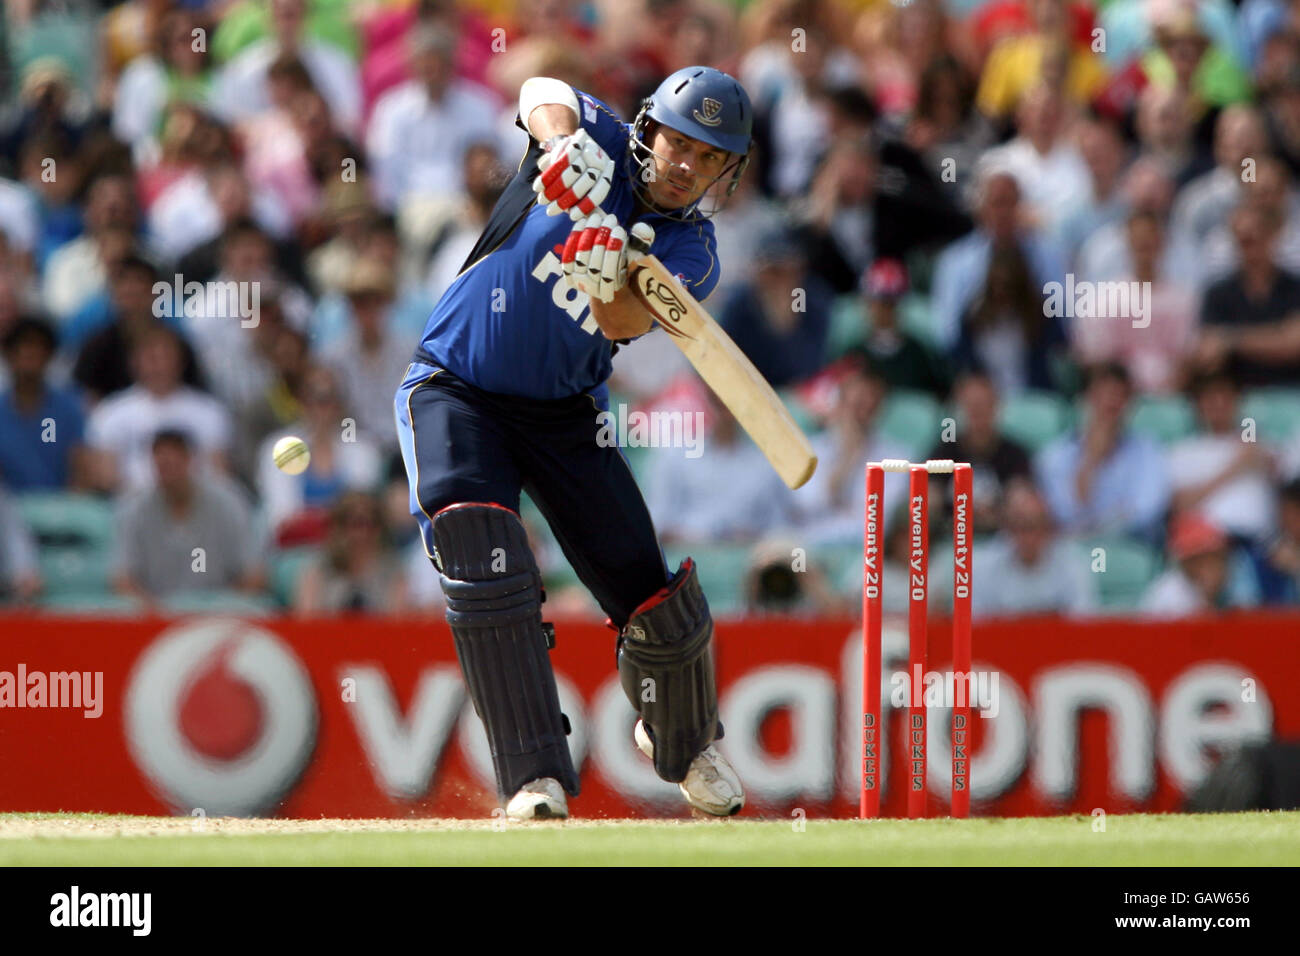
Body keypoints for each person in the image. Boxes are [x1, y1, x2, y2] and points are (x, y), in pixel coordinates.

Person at [394, 67, 754, 820]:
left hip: (565, 412)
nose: (686, 166)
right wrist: (559, 149)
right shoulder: (597, 135)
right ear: (649, 130)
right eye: (678, 143)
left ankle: (684, 742)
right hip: (457, 385)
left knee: (647, 590)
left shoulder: (694, 250)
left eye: (708, 157)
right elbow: (539, 86)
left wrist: (602, 264)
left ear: (727, 170)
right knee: (481, 551)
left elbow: (622, 322)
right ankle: (532, 777)